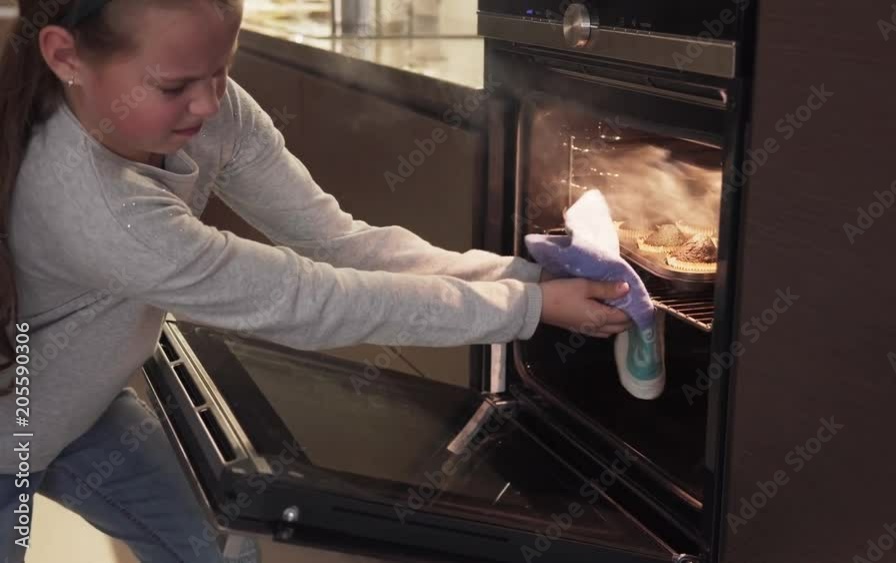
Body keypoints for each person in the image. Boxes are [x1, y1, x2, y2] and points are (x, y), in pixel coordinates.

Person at [0, 0, 632, 560]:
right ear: (65, 56)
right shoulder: (97, 206)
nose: (210, 102)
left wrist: (526, 277)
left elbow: (338, 242)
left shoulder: (209, 108)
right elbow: (308, 299)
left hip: (83, 404)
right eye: (174, 85)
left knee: (219, 551)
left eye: (221, 68)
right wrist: (526, 308)